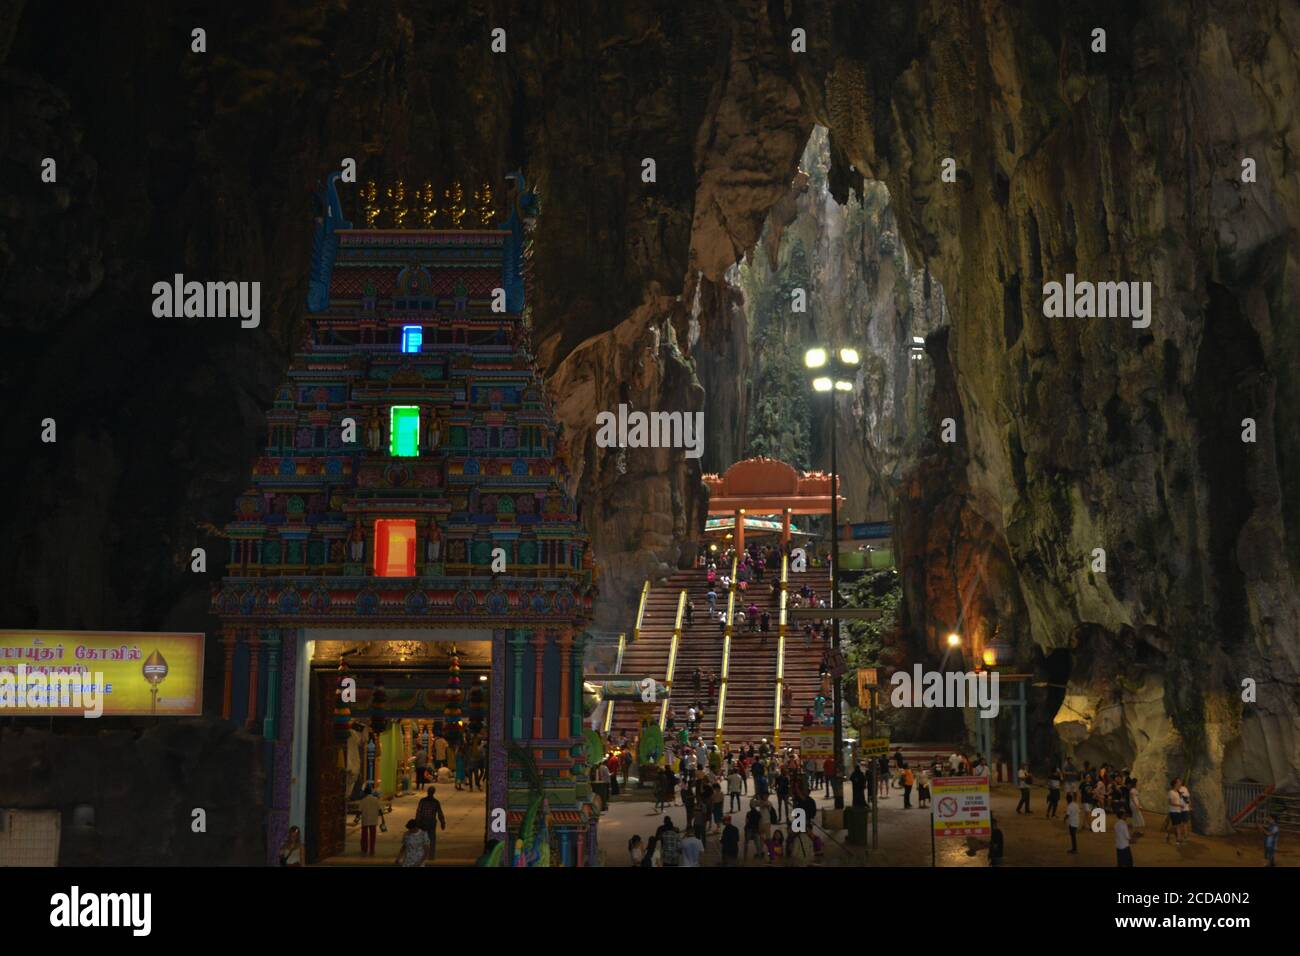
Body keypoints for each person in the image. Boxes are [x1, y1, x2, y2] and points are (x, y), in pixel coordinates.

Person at [415, 786, 447, 860]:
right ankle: (431, 856)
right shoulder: (436, 802)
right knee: (432, 839)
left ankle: (421, 854)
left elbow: (419, 812)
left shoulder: (422, 801)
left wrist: (417, 821)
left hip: (422, 822)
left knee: (421, 839)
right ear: (433, 793)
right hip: (431, 822)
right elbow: (440, 813)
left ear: (428, 792)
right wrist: (442, 822)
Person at [358, 785, 382, 856]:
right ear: (371, 792)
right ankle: (372, 850)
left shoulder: (363, 800)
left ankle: (364, 849)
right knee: (372, 836)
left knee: (364, 835)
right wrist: (383, 820)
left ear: (365, 792)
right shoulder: (376, 799)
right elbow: (380, 810)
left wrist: (356, 818)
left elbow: (359, 811)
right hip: (373, 820)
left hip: (365, 820)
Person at [1166, 778, 1184, 846]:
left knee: (1175, 826)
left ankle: (1168, 834)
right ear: (1175, 783)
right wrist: (1179, 805)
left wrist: (1180, 807)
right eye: (1179, 781)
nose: (1180, 783)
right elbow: (1170, 803)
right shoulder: (1171, 792)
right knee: (1177, 826)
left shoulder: (1177, 792)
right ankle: (1178, 840)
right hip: (1173, 811)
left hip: (1178, 811)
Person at [1177, 779, 1193, 844]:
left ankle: (1185, 836)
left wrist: (1189, 805)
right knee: (1178, 823)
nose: (1179, 782)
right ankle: (1179, 837)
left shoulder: (1184, 789)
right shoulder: (1175, 789)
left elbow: (1188, 798)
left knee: (1185, 823)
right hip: (1178, 809)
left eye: (1180, 781)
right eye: (1178, 782)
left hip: (1185, 809)